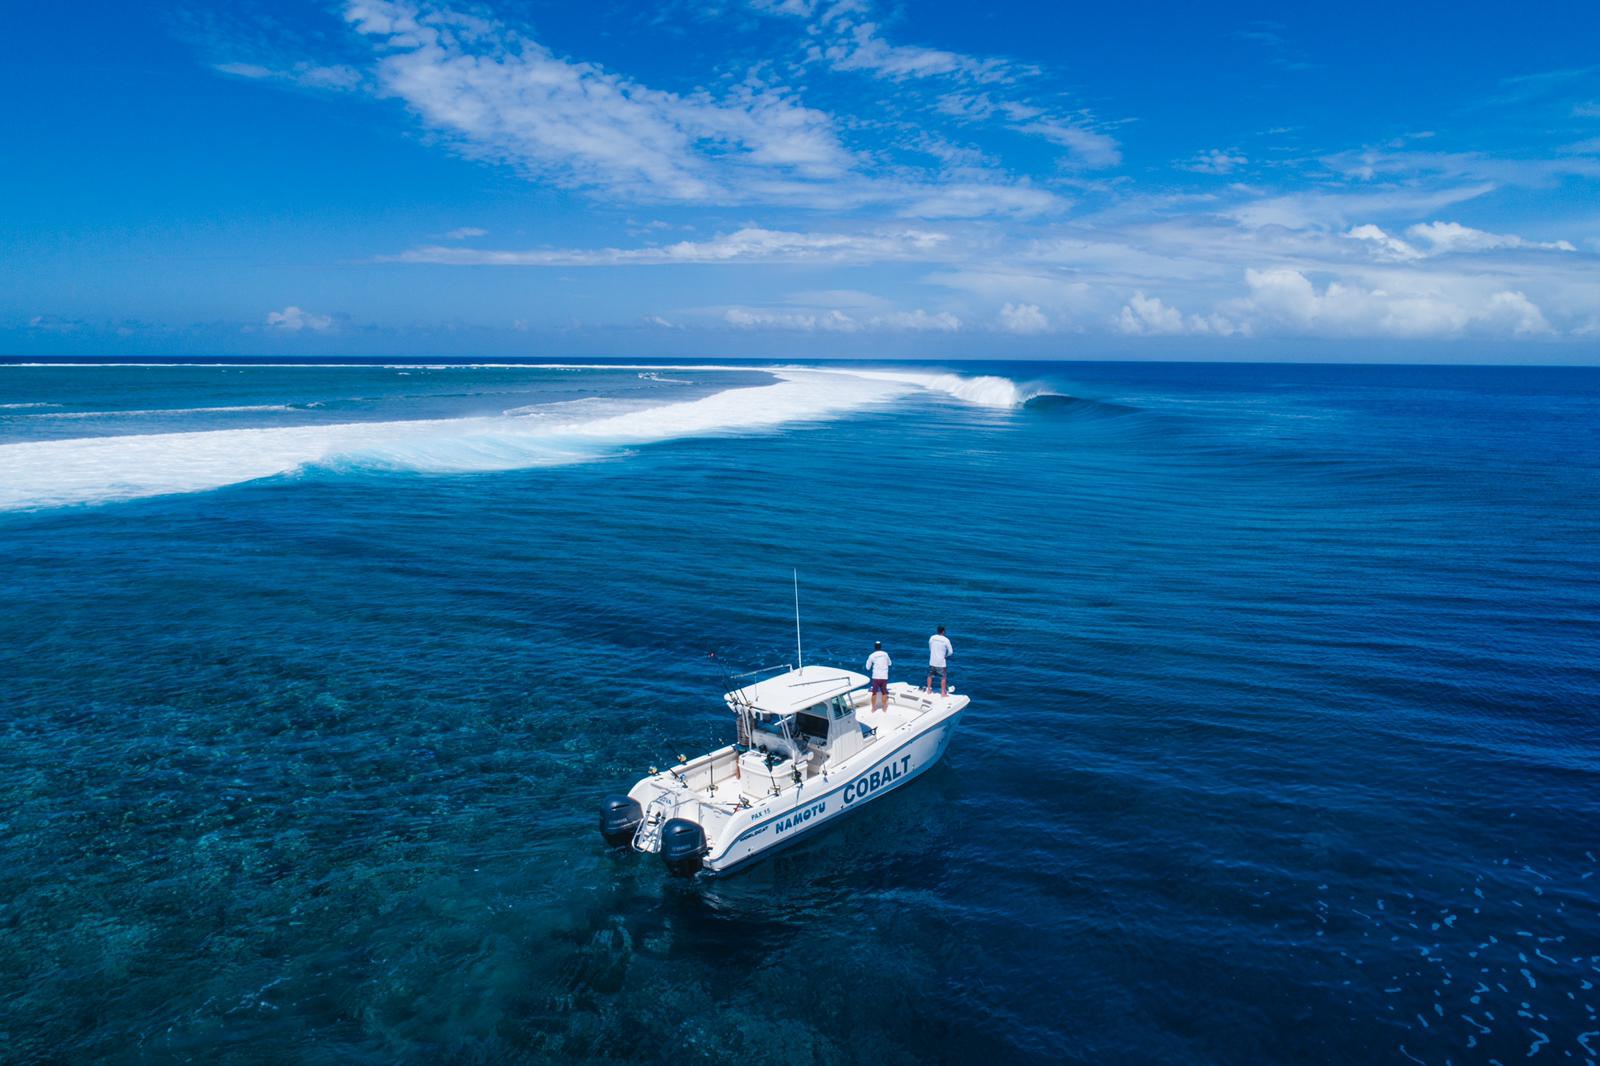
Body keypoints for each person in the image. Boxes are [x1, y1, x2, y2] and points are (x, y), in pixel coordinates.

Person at [864, 641, 892, 713]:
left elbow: (867, 668)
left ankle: (873, 708)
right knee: (884, 692)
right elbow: (890, 663)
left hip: (876, 677)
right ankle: (884, 708)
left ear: (875, 647)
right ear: (880, 646)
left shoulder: (871, 655)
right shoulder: (885, 654)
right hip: (884, 676)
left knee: (874, 693)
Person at [926, 625, 953, 696]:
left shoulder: (932, 638)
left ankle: (928, 690)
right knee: (943, 677)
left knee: (930, 675)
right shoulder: (946, 640)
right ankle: (943, 693)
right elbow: (950, 652)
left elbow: (930, 647)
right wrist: (945, 656)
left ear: (937, 630)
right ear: (943, 631)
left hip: (932, 661)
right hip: (941, 662)